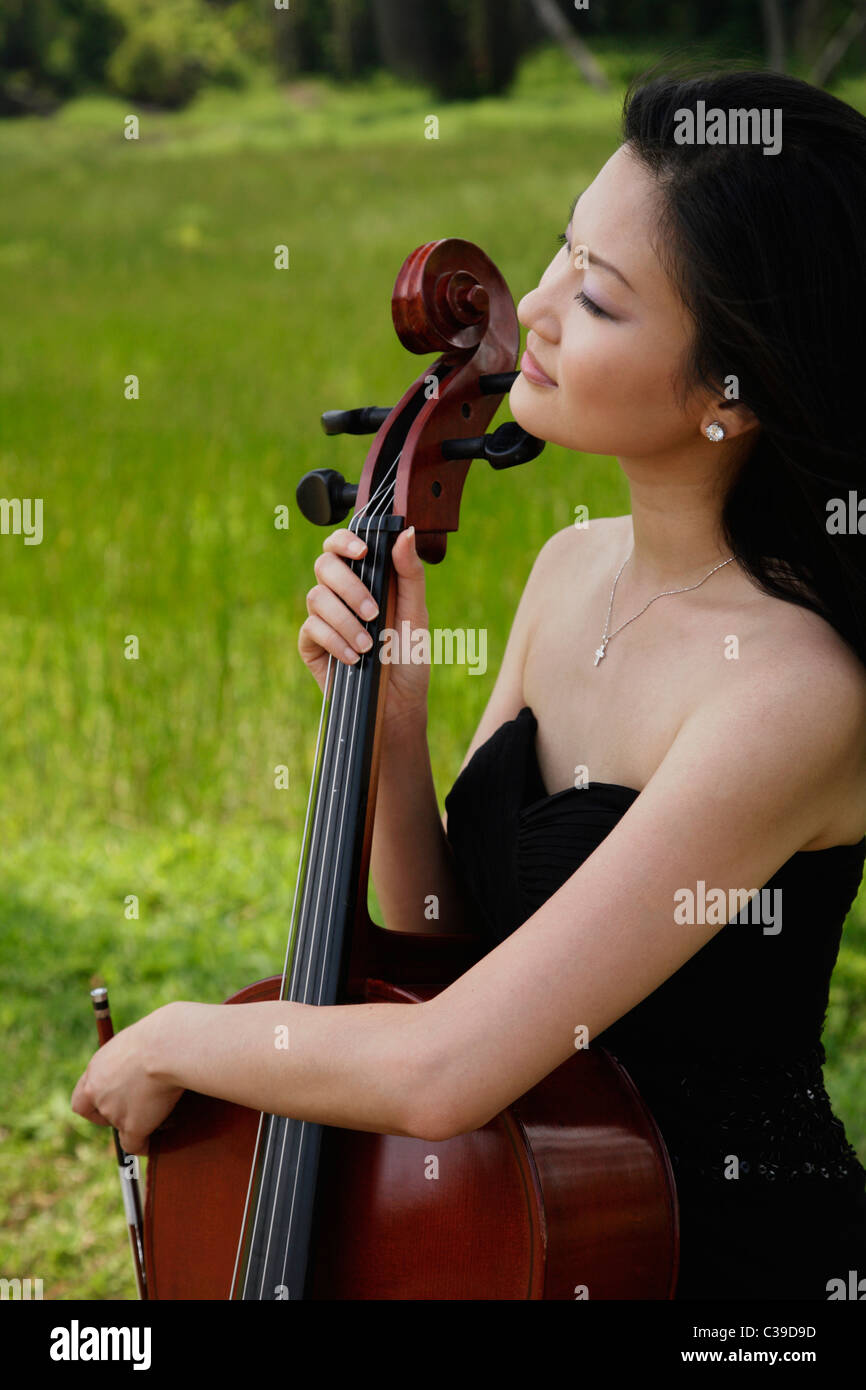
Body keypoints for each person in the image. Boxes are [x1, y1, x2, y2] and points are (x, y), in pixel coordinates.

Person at [72, 64, 866, 1300]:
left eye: (595, 302)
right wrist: (392, 731)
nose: (529, 310)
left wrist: (185, 1040)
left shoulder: (790, 692)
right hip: (516, 1223)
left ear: (731, 392)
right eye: (559, 251)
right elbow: (447, 947)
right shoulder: (568, 568)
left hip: (699, 1266)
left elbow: (450, 1065)